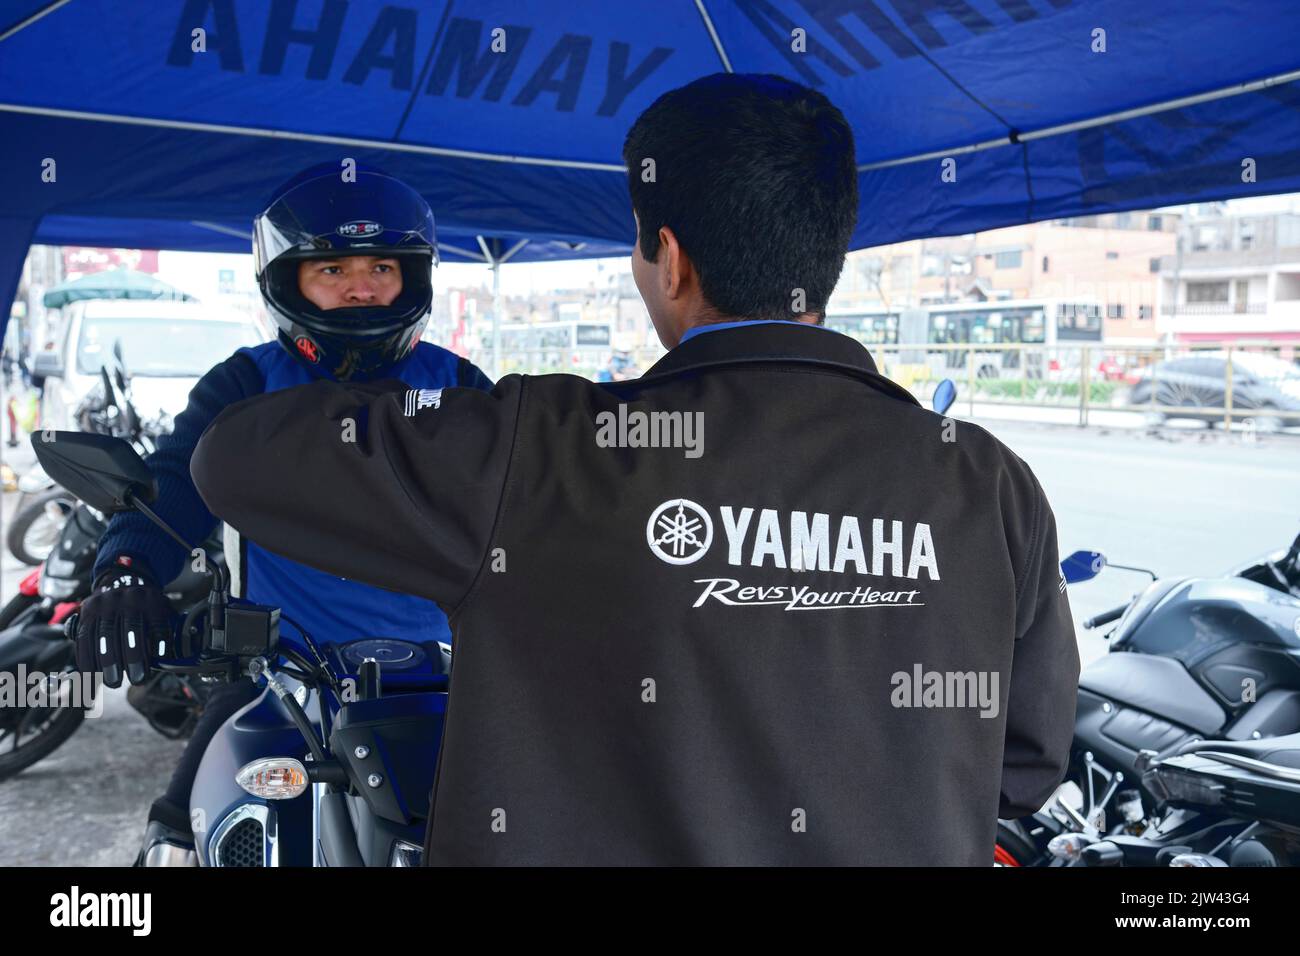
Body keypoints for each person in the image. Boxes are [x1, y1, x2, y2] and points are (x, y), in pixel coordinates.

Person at [191, 74, 1080, 866]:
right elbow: (1028, 760)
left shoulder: (541, 450)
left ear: (672, 258)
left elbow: (236, 456)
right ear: (826, 254)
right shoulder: (991, 483)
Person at [72, 162, 492, 865]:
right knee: (185, 832)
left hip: (449, 677)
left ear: (413, 277)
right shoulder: (246, 383)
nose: (362, 287)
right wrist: (124, 567)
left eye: (382, 266)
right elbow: (174, 484)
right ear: (286, 279)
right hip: (284, 670)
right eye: (332, 269)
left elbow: (530, 506)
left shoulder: (461, 386)